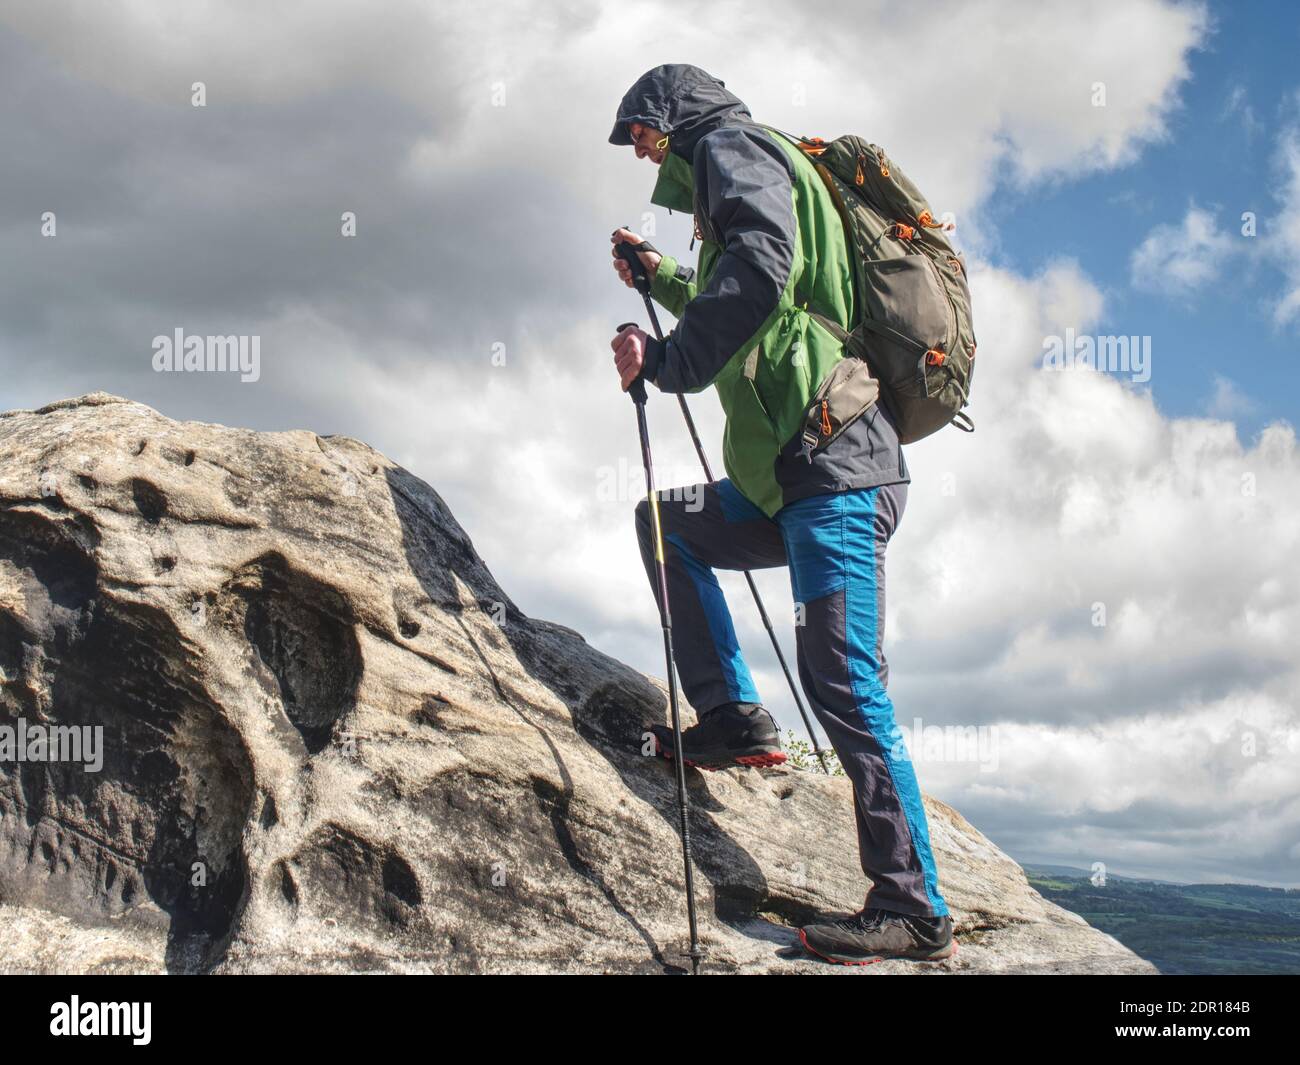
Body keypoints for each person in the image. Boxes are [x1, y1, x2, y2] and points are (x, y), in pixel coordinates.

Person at [607, 64, 954, 964]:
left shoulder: (732, 148)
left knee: (840, 674)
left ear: (676, 117)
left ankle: (913, 911)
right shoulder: (737, 173)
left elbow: (764, 269)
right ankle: (731, 720)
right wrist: (665, 279)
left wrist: (669, 362)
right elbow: (764, 297)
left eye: (640, 130)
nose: (639, 149)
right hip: (785, 483)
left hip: (836, 472)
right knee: (665, 521)